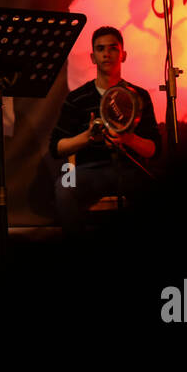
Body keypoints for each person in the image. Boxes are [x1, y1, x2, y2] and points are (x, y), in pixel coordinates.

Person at [50, 27, 160, 229]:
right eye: (100, 49)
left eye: (113, 48)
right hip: (89, 171)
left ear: (123, 55)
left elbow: (154, 149)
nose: (106, 54)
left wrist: (128, 139)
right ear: (93, 57)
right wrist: (87, 136)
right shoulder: (77, 98)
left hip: (131, 169)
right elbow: (56, 148)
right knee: (64, 188)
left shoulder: (138, 96)